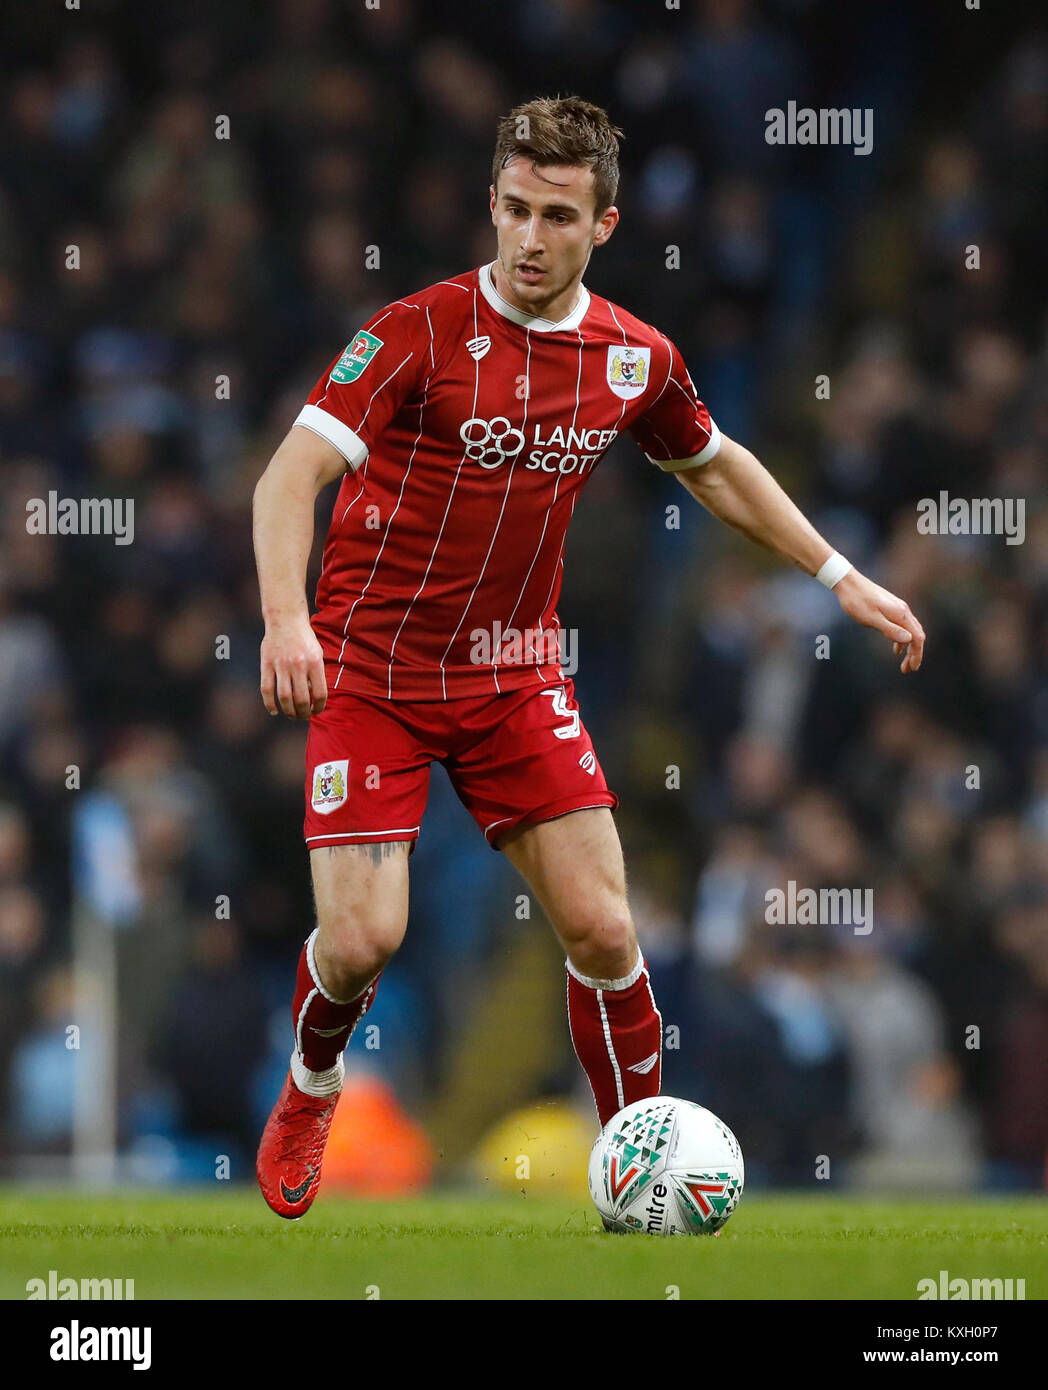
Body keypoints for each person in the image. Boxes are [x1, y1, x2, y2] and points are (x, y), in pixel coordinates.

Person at [252, 95, 925, 1218]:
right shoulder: (415, 330)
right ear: (492, 205)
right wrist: (283, 619)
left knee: (608, 928)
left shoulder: (630, 359)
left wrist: (839, 576)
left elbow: (713, 465)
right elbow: (287, 477)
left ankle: (639, 1170)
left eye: (555, 215)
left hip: (515, 671)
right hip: (371, 669)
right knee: (365, 939)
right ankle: (312, 1083)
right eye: (512, 208)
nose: (527, 236)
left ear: (601, 225)